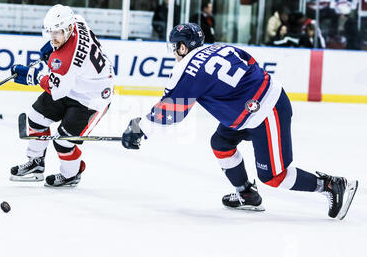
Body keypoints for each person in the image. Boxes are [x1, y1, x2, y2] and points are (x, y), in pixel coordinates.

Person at [121, 23, 358, 220]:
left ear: (183, 46)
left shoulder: (186, 69)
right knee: (221, 143)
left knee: (275, 176)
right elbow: (251, 64)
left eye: (175, 47)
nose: (174, 52)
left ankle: (330, 185)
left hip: (266, 112)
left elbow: (172, 109)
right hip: (254, 109)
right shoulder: (220, 48)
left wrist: (138, 128)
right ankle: (246, 194)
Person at [9, 4, 114, 187]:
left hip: (93, 99)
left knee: (63, 141)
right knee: (36, 117)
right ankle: (36, 162)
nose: (53, 37)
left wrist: (34, 77)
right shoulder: (77, 21)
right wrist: (51, 47)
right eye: (51, 32)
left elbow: (57, 90)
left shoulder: (67, 61)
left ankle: (71, 174)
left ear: (68, 28)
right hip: (77, 83)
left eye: (57, 33)